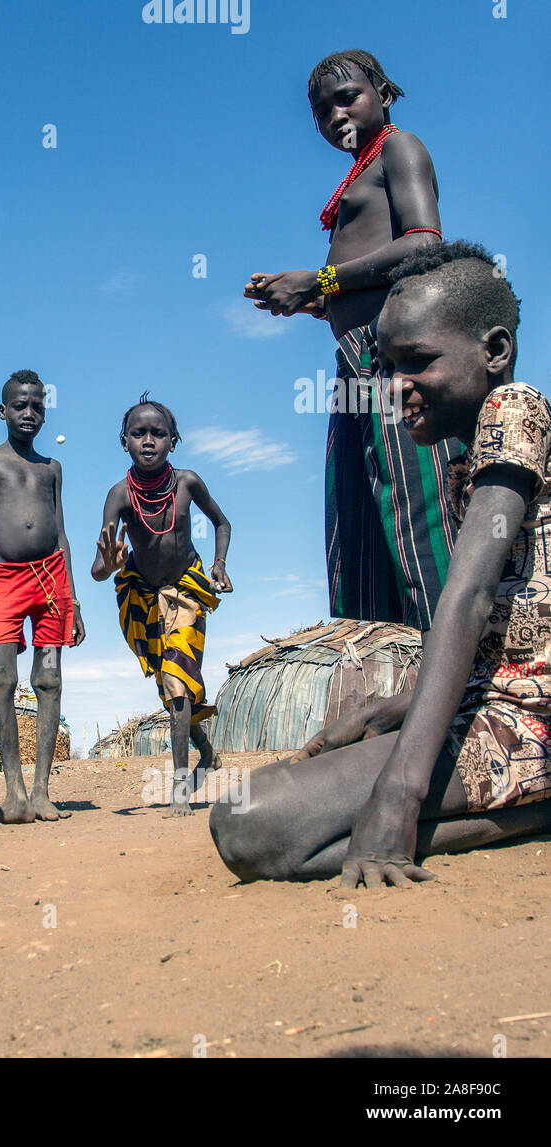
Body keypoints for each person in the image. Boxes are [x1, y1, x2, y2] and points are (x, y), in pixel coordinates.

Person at [213, 241, 551, 887]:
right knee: (249, 818)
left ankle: (521, 813)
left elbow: (472, 595)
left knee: (252, 824)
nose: (395, 388)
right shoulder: (466, 457)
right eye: (387, 367)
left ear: (496, 351)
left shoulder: (515, 409)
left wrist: (398, 794)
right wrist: (399, 705)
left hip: (533, 721)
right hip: (492, 706)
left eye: (417, 362)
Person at [245, 49, 460, 630]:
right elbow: (361, 276)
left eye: (347, 97)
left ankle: (452, 671)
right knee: (356, 516)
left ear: (383, 93)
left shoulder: (399, 147)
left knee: (415, 507)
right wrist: (318, 302)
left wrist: (322, 278)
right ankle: (382, 665)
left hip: (395, 358)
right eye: (320, 110)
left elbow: (424, 244)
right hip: (353, 360)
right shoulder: (357, 171)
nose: (334, 114)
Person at [92, 394, 233, 815]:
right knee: (169, 686)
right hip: (142, 595)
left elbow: (222, 522)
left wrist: (219, 563)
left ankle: (178, 789)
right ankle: (205, 750)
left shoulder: (188, 482)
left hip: (187, 589)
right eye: (139, 433)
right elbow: (100, 566)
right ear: (124, 441)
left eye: (158, 433)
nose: (148, 441)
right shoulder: (119, 494)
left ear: (174, 440)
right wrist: (109, 564)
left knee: (176, 682)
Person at [0, 370, 85, 824]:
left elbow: (61, 533)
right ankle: (12, 790)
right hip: (5, 581)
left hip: (52, 583)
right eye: (20, 405)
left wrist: (72, 600)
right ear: (3, 410)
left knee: (49, 679)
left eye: (37, 406)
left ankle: (41, 791)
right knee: (0, 677)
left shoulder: (51, 468)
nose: (29, 413)